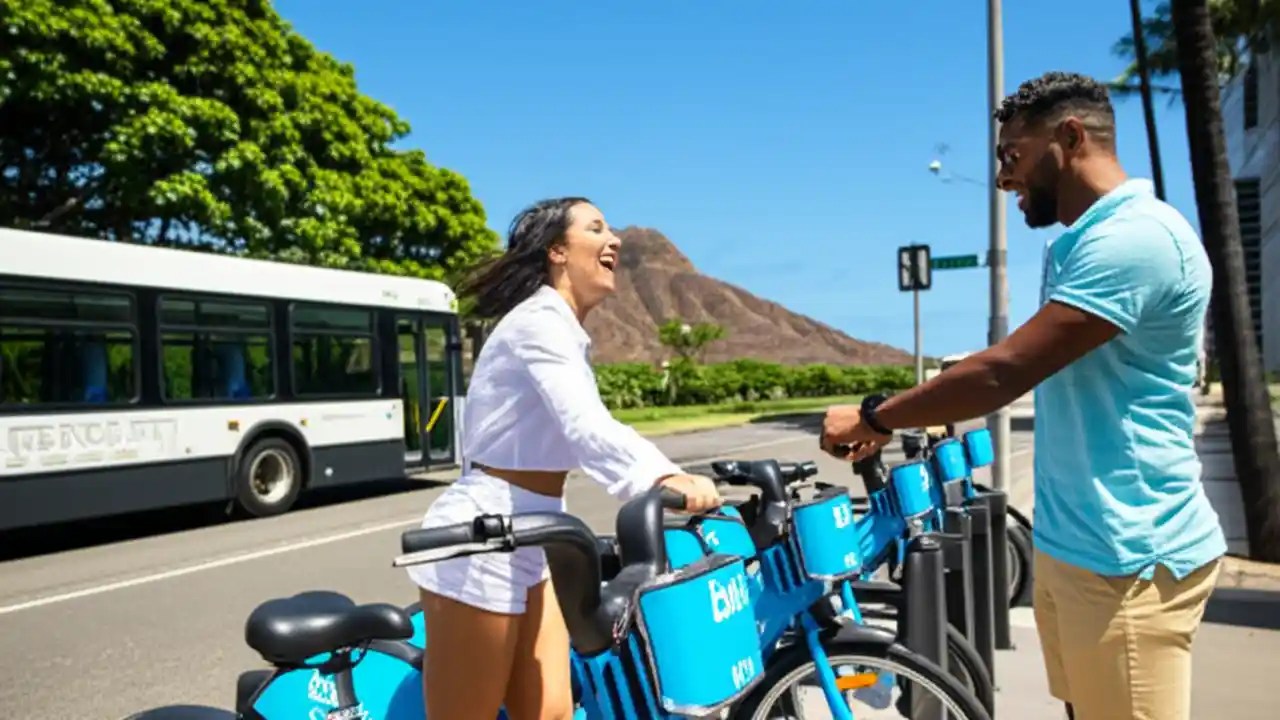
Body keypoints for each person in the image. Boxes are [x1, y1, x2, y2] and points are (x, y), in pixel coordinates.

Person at [820, 71, 1225, 720]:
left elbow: (1005, 373)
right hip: (1077, 546)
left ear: (1069, 138)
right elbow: (1039, 361)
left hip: (1131, 559)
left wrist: (876, 416)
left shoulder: (1136, 240)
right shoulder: (1082, 243)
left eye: (1013, 155)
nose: (1004, 178)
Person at [407, 196, 722, 720]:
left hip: (533, 531)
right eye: (596, 228)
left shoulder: (562, 328)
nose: (614, 240)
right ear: (557, 250)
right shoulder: (538, 322)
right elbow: (586, 425)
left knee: (552, 713)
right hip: (480, 537)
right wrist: (662, 474)